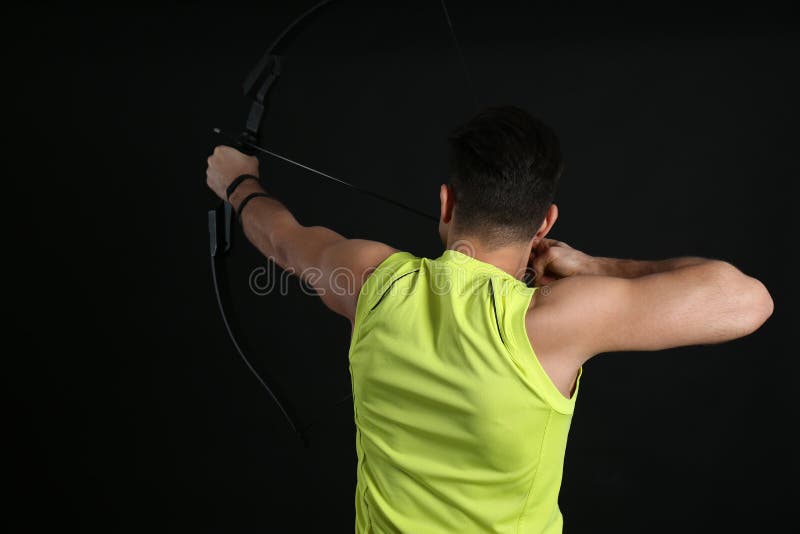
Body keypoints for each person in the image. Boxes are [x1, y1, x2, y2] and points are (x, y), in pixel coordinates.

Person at [206, 106, 773, 533]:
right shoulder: (556, 322)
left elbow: (280, 238)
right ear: (545, 222)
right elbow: (747, 300)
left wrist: (237, 181)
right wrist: (597, 265)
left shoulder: (366, 280)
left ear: (447, 203)